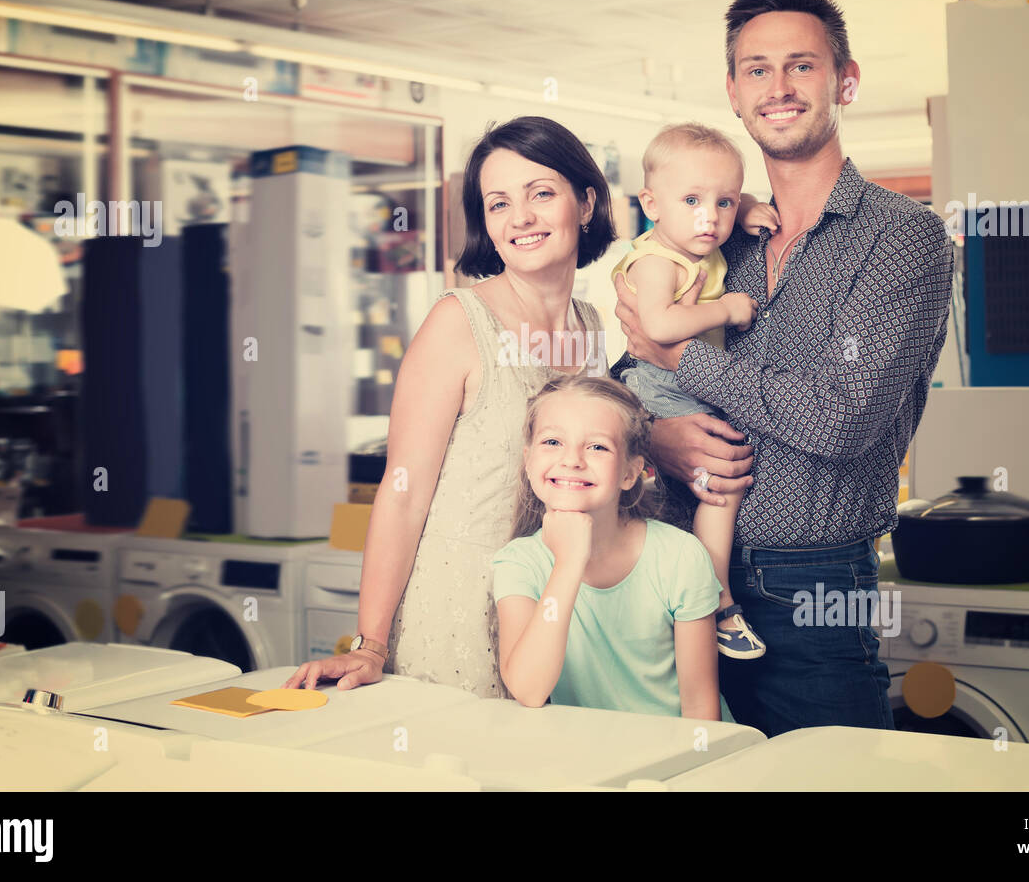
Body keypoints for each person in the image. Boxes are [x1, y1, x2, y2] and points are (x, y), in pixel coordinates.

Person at [613, 0, 954, 737]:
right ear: (733, 93)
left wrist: (681, 362)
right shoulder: (712, 238)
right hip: (668, 569)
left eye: (801, 64)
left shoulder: (903, 237)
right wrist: (656, 434)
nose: (779, 86)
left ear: (846, 81)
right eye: (757, 69)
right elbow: (629, 369)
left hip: (813, 585)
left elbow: (841, 420)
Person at [286, 116, 614, 696]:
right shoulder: (459, 322)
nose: (521, 219)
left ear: (586, 203)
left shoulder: (590, 330)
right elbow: (403, 491)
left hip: (559, 606)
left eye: (541, 193)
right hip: (459, 610)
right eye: (498, 204)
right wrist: (371, 644)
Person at [610, 122, 777, 660]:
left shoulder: (693, 237)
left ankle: (693, 601)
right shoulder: (659, 260)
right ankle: (716, 601)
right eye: (692, 200)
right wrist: (726, 308)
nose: (711, 217)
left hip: (686, 382)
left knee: (704, 489)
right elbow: (657, 325)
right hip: (662, 385)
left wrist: (747, 204)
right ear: (651, 204)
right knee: (717, 486)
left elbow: (715, 192)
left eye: (723, 203)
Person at [493, 374, 731, 721]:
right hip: (587, 762)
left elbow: (700, 710)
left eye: (598, 446)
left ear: (630, 472)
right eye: (553, 442)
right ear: (528, 461)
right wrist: (569, 562)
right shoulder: (517, 564)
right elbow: (529, 690)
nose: (572, 460)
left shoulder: (680, 555)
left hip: (679, 758)